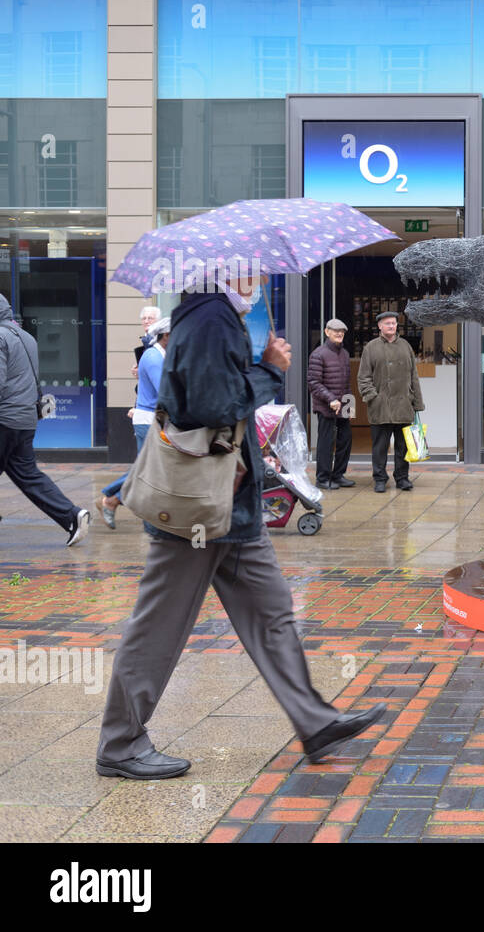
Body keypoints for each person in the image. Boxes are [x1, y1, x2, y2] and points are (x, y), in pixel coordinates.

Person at [96, 276, 384, 781]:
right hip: (198, 513)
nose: (260, 278)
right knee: (158, 629)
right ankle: (120, 744)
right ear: (224, 271)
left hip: (233, 512)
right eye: (251, 269)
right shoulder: (208, 317)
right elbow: (212, 406)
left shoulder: (217, 315)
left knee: (273, 616)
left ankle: (315, 722)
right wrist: (269, 371)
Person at [0, 293, 90, 545]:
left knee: (28, 475)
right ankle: (73, 516)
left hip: (4, 419)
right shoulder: (27, 337)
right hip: (25, 419)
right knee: (29, 475)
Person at [97, 316, 169, 529]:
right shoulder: (154, 357)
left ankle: (114, 499)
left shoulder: (159, 355)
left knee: (151, 469)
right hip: (150, 420)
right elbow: (164, 391)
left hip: (154, 418)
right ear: (166, 336)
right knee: (148, 470)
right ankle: (112, 499)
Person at [358, 311, 424, 493]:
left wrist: (417, 402)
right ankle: (380, 479)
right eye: (387, 323)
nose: (391, 326)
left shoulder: (405, 346)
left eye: (394, 323)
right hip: (381, 407)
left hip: (404, 406)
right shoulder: (371, 348)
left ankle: (402, 478)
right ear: (379, 326)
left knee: (403, 447)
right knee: (379, 448)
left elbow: (414, 377)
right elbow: (363, 377)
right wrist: (373, 396)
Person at [308, 318, 354, 490]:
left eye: (342, 331)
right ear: (327, 332)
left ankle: (338, 475)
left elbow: (346, 382)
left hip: (343, 404)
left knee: (345, 440)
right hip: (326, 406)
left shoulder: (345, 354)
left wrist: (350, 405)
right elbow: (313, 382)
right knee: (326, 443)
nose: (339, 333)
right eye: (335, 331)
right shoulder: (318, 354)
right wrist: (330, 399)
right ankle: (322, 478)